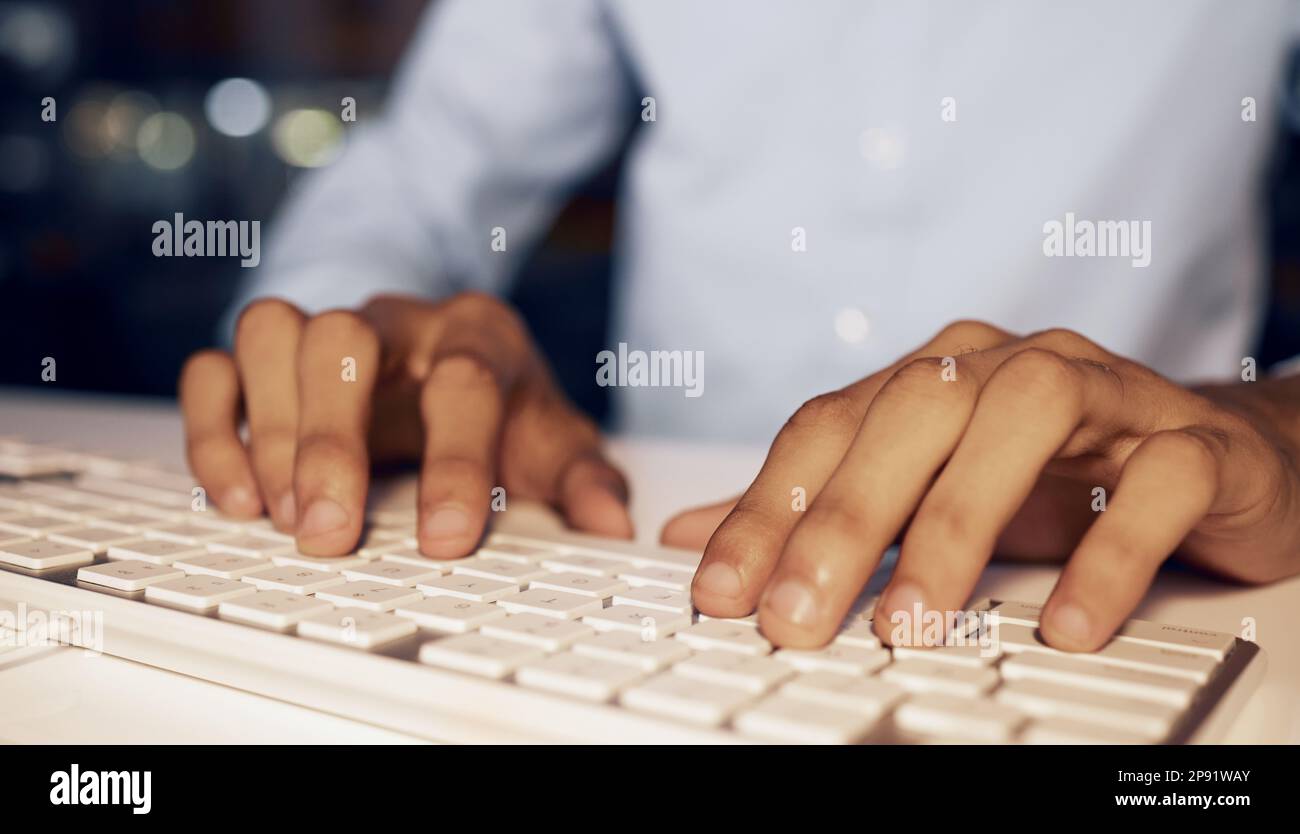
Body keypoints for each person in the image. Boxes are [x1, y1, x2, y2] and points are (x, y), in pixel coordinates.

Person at [177, 0, 1300, 652]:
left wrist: (1275, 428)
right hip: (644, 561)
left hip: (1146, 583)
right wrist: (360, 339)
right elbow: (426, 175)